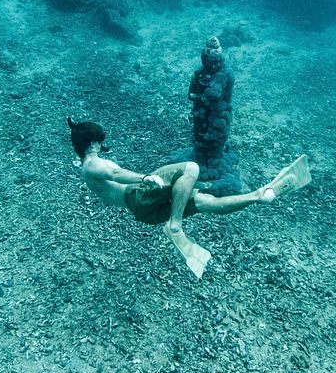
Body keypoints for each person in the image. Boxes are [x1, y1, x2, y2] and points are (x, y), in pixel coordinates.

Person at [67, 117, 311, 278]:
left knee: (205, 202)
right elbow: (114, 173)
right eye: (99, 141)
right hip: (138, 194)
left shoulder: (87, 166)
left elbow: (107, 171)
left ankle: (259, 195)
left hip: (143, 211)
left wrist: (76, 129)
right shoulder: (92, 163)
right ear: (92, 143)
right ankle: (175, 226)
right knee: (191, 168)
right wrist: (144, 178)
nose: (101, 145)